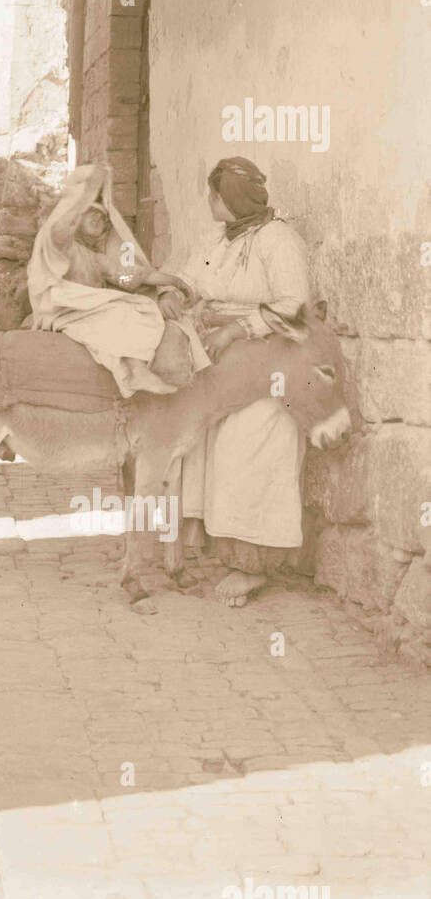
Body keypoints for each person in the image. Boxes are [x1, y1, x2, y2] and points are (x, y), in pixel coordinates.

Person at [159, 156, 311, 606]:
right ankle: (222, 551)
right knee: (207, 447)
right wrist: (173, 292)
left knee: (246, 452)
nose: (210, 202)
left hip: (269, 364)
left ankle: (252, 567)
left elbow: (295, 307)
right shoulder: (219, 238)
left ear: (232, 198)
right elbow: (192, 277)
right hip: (222, 365)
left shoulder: (279, 240)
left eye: (215, 195)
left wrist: (238, 329)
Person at [27, 163, 194, 396]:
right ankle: (135, 372)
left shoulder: (94, 258)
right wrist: (86, 192)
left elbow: (127, 276)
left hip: (90, 310)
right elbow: (63, 223)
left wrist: (173, 281)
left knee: (141, 308)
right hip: (64, 312)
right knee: (121, 313)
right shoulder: (59, 245)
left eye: (102, 215)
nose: (99, 217)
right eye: (91, 212)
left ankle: (135, 368)